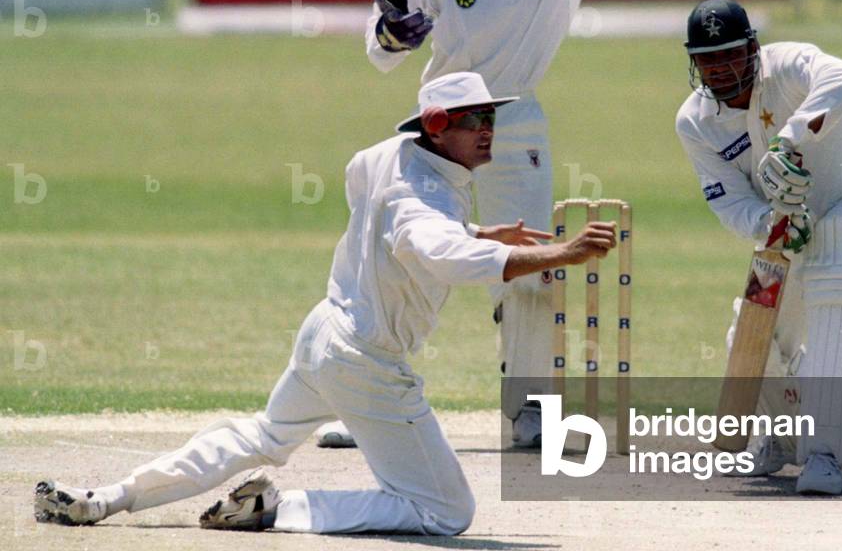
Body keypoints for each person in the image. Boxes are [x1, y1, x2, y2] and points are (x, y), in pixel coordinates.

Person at [34, 72, 618, 534]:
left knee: (261, 438)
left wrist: (480, 233)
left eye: (491, 117)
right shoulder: (423, 199)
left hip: (325, 332)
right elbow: (439, 254)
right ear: (437, 125)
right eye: (472, 122)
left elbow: (396, 220)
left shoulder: (386, 156)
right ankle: (276, 510)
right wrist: (562, 254)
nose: (488, 130)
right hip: (368, 359)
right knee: (446, 514)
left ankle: (108, 498)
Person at [337, 0, 662, 449]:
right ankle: (369, 396)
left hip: (517, 118)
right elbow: (380, 49)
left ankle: (531, 411)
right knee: (408, 261)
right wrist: (395, 33)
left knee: (534, 262)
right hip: (442, 124)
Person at [674, 0, 842, 495]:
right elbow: (729, 202)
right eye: (708, 60)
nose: (721, 69)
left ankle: (824, 456)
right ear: (694, 62)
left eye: (732, 54)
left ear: (753, 47)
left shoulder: (790, 63)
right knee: (752, 335)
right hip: (782, 232)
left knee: (837, 296)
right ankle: (779, 437)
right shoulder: (694, 122)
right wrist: (771, 224)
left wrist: (790, 140)